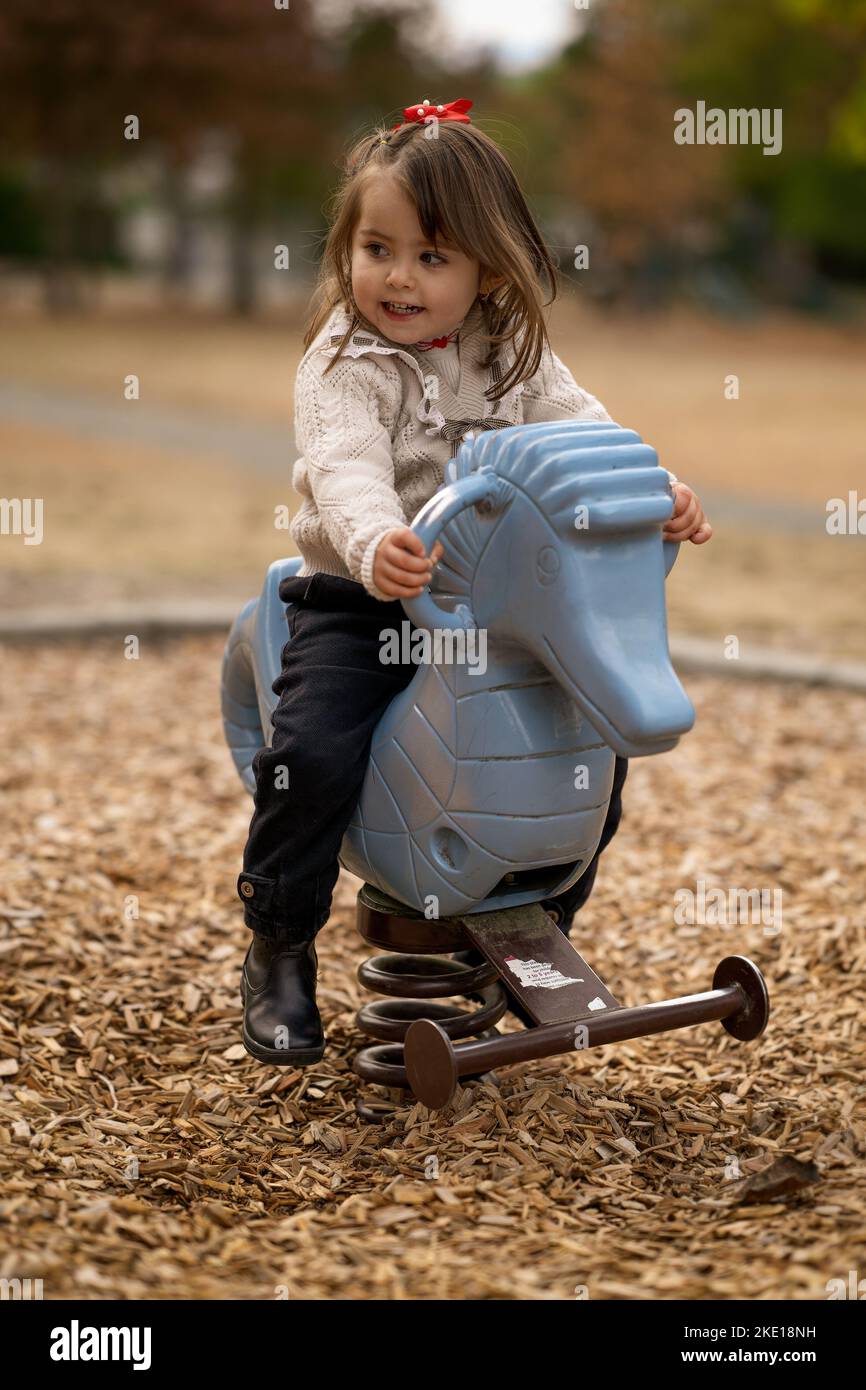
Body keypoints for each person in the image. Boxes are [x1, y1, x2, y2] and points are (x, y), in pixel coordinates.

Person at [236, 97, 712, 1064]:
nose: (398, 277)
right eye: (378, 248)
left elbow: (586, 433)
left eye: (431, 256)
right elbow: (344, 468)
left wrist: (651, 488)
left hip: (486, 615)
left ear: (486, 267)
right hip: (363, 602)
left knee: (592, 757)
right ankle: (279, 943)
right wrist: (377, 544)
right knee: (315, 755)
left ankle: (532, 924)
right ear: (348, 248)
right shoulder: (341, 360)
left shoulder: (512, 352)